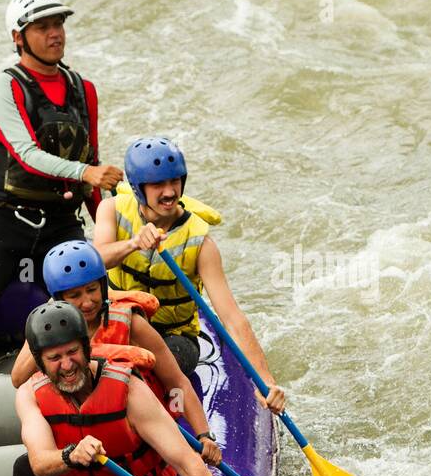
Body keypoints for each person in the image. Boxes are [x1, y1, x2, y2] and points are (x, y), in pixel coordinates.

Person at [0, 0, 124, 382]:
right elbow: (25, 154)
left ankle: (98, 389)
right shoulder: (5, 86)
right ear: (18, 37)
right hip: (6, 221)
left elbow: (92, 162)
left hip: (61, 225)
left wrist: (110, 223)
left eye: (58, 25)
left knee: (91, 305)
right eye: (43, 27)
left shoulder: (83, 90)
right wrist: (86, 173)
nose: (55, 34)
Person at [0, 301, 247, 476]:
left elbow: (187, 462)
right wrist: (71, 455)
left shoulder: (128, 387)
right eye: (55, 358)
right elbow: (40, 464)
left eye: (72, 352)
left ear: (86, 347)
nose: (67, 365)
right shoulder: (33, 391)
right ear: (41, 362)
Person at [7, 239, 222, 476]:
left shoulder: (132, 324)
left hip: (128, 431)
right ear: (58, 298)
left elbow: (176, 383)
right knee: (24, 468)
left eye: (92, 290)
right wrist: (50, 339)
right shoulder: (48, 326)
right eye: (74, 296)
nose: (87, 302)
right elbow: (18, 378)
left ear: (103, 286)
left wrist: (203, 434)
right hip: (76, 436)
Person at [93, 137, 288, 415]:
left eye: (175, 181)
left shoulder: (202, 244)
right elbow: (96, 260)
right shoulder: (110, 209)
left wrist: (265, 381)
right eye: (158, 184)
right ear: (138, 188)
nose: (169, 192)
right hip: (117, 323)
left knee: (148, 362)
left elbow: (232, 317)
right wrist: (134, 243)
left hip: (174, 339)